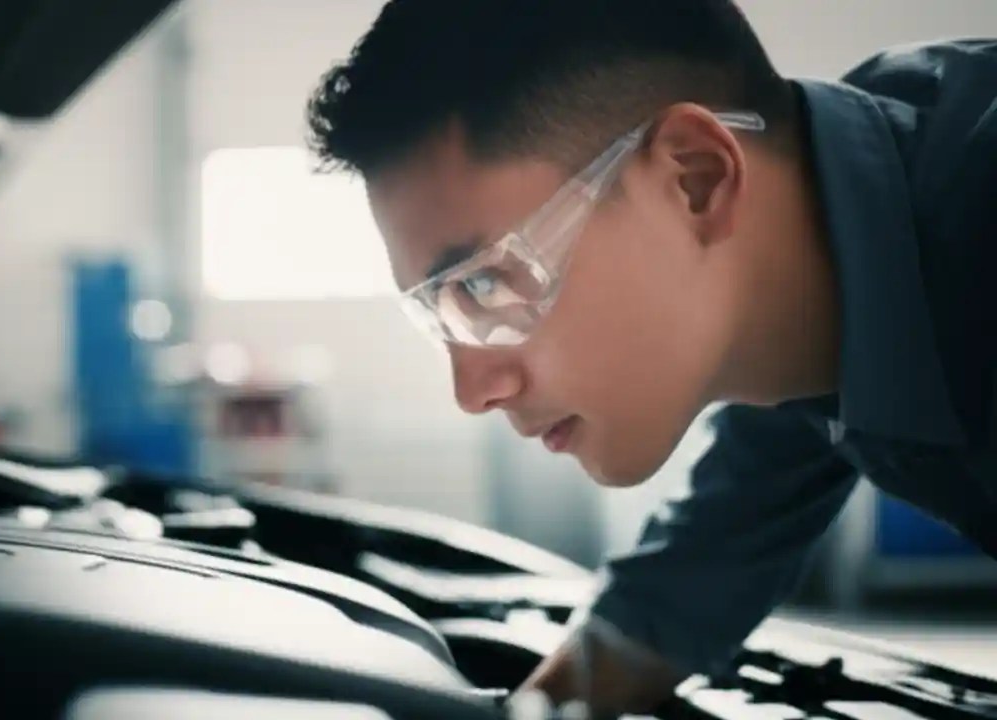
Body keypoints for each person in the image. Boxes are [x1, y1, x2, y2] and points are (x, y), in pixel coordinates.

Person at [305, 0, 997, 714]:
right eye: (439, 316)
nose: (472, 390)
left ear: (694, 178)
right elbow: (684, 587)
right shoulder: (801, 304)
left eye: (484, 282)